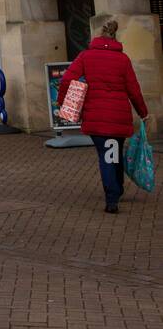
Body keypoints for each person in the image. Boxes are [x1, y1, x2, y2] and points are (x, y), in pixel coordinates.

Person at [56, 18, 150, 214]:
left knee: (107, 156)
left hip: (95, 117)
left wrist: (63, 102)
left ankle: (112, 197)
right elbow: (134, 90)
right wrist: (143, 113)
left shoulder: (85, 56)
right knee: (113, 153)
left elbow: (66, 80)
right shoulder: (123, 60)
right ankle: (117, 189)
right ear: (115, 38)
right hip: (117, 118)